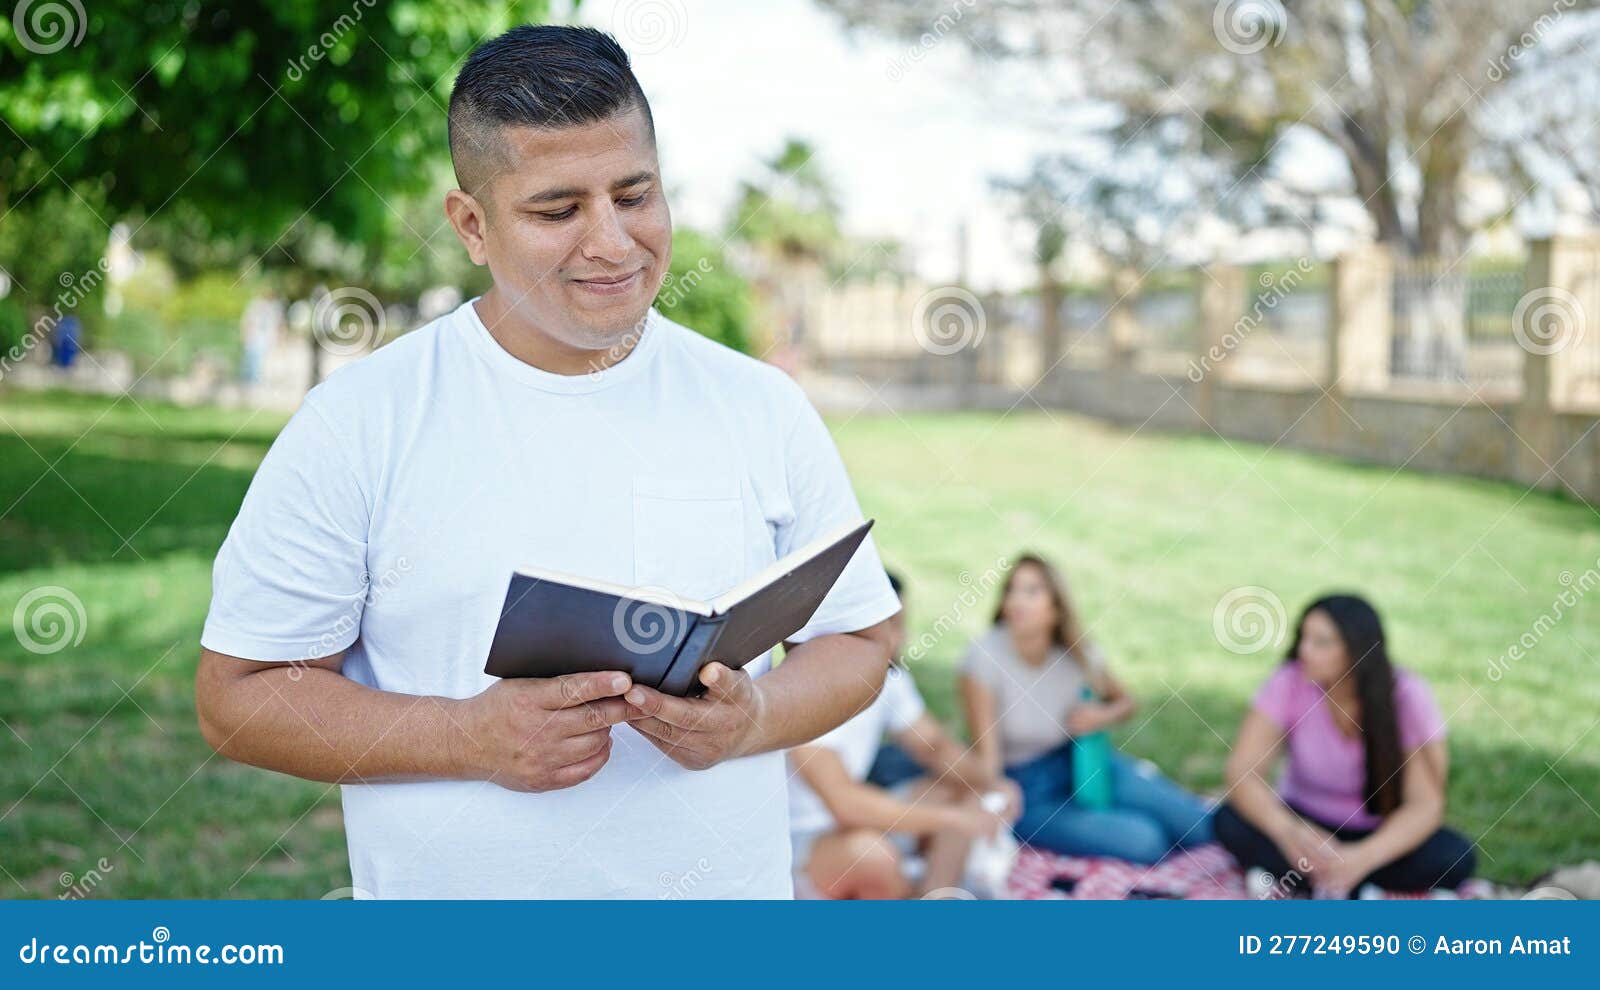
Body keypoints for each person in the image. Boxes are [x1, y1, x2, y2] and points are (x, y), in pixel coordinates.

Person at [192, 26, 901, 899]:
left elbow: (863, 639)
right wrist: (467, 738)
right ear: (471, 225)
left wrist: (754, 721)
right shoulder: (360, 419)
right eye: (558, 210)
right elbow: (239, 696)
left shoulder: (759, 404)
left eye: (635, 195)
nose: (612, 242)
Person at [1214, 594, 1476, 897]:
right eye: (1303, 638)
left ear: (1357, 650)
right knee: (1228, 821)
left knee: (1453, 856)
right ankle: (1353, 887)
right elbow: (1242, 773)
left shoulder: (1406, 695)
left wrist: (1362, 858)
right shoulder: (1288, 681)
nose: (1304, 651)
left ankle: (1328, 880)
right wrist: (1287, 832)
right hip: (1303, 825)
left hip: (1376, 834)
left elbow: (1426, 805)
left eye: (1321, 642)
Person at [959, 554, 1213, 863]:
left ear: (1056, 607)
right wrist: (998, 795)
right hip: (1028, 790)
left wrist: (1101, 716)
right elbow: (988, 764)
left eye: (1032, 591)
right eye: (1011, 590)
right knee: (1147, 842)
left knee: (1198, 826)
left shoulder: (1076, 653)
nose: (1017, 601)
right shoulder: (984, 659)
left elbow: (1126, 702)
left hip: (1082, 764)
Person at [787, 572, 1021, 898]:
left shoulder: (889, 681)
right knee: (872, 857)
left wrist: (990, 782)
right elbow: (845, 803)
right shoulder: (803, 694)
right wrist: (953, 820)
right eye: (892, 625)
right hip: (797, 843)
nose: (902, 637)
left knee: (965, 792)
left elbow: (934, 746)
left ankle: (938, 896)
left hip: (849, 827)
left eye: (902, 624)